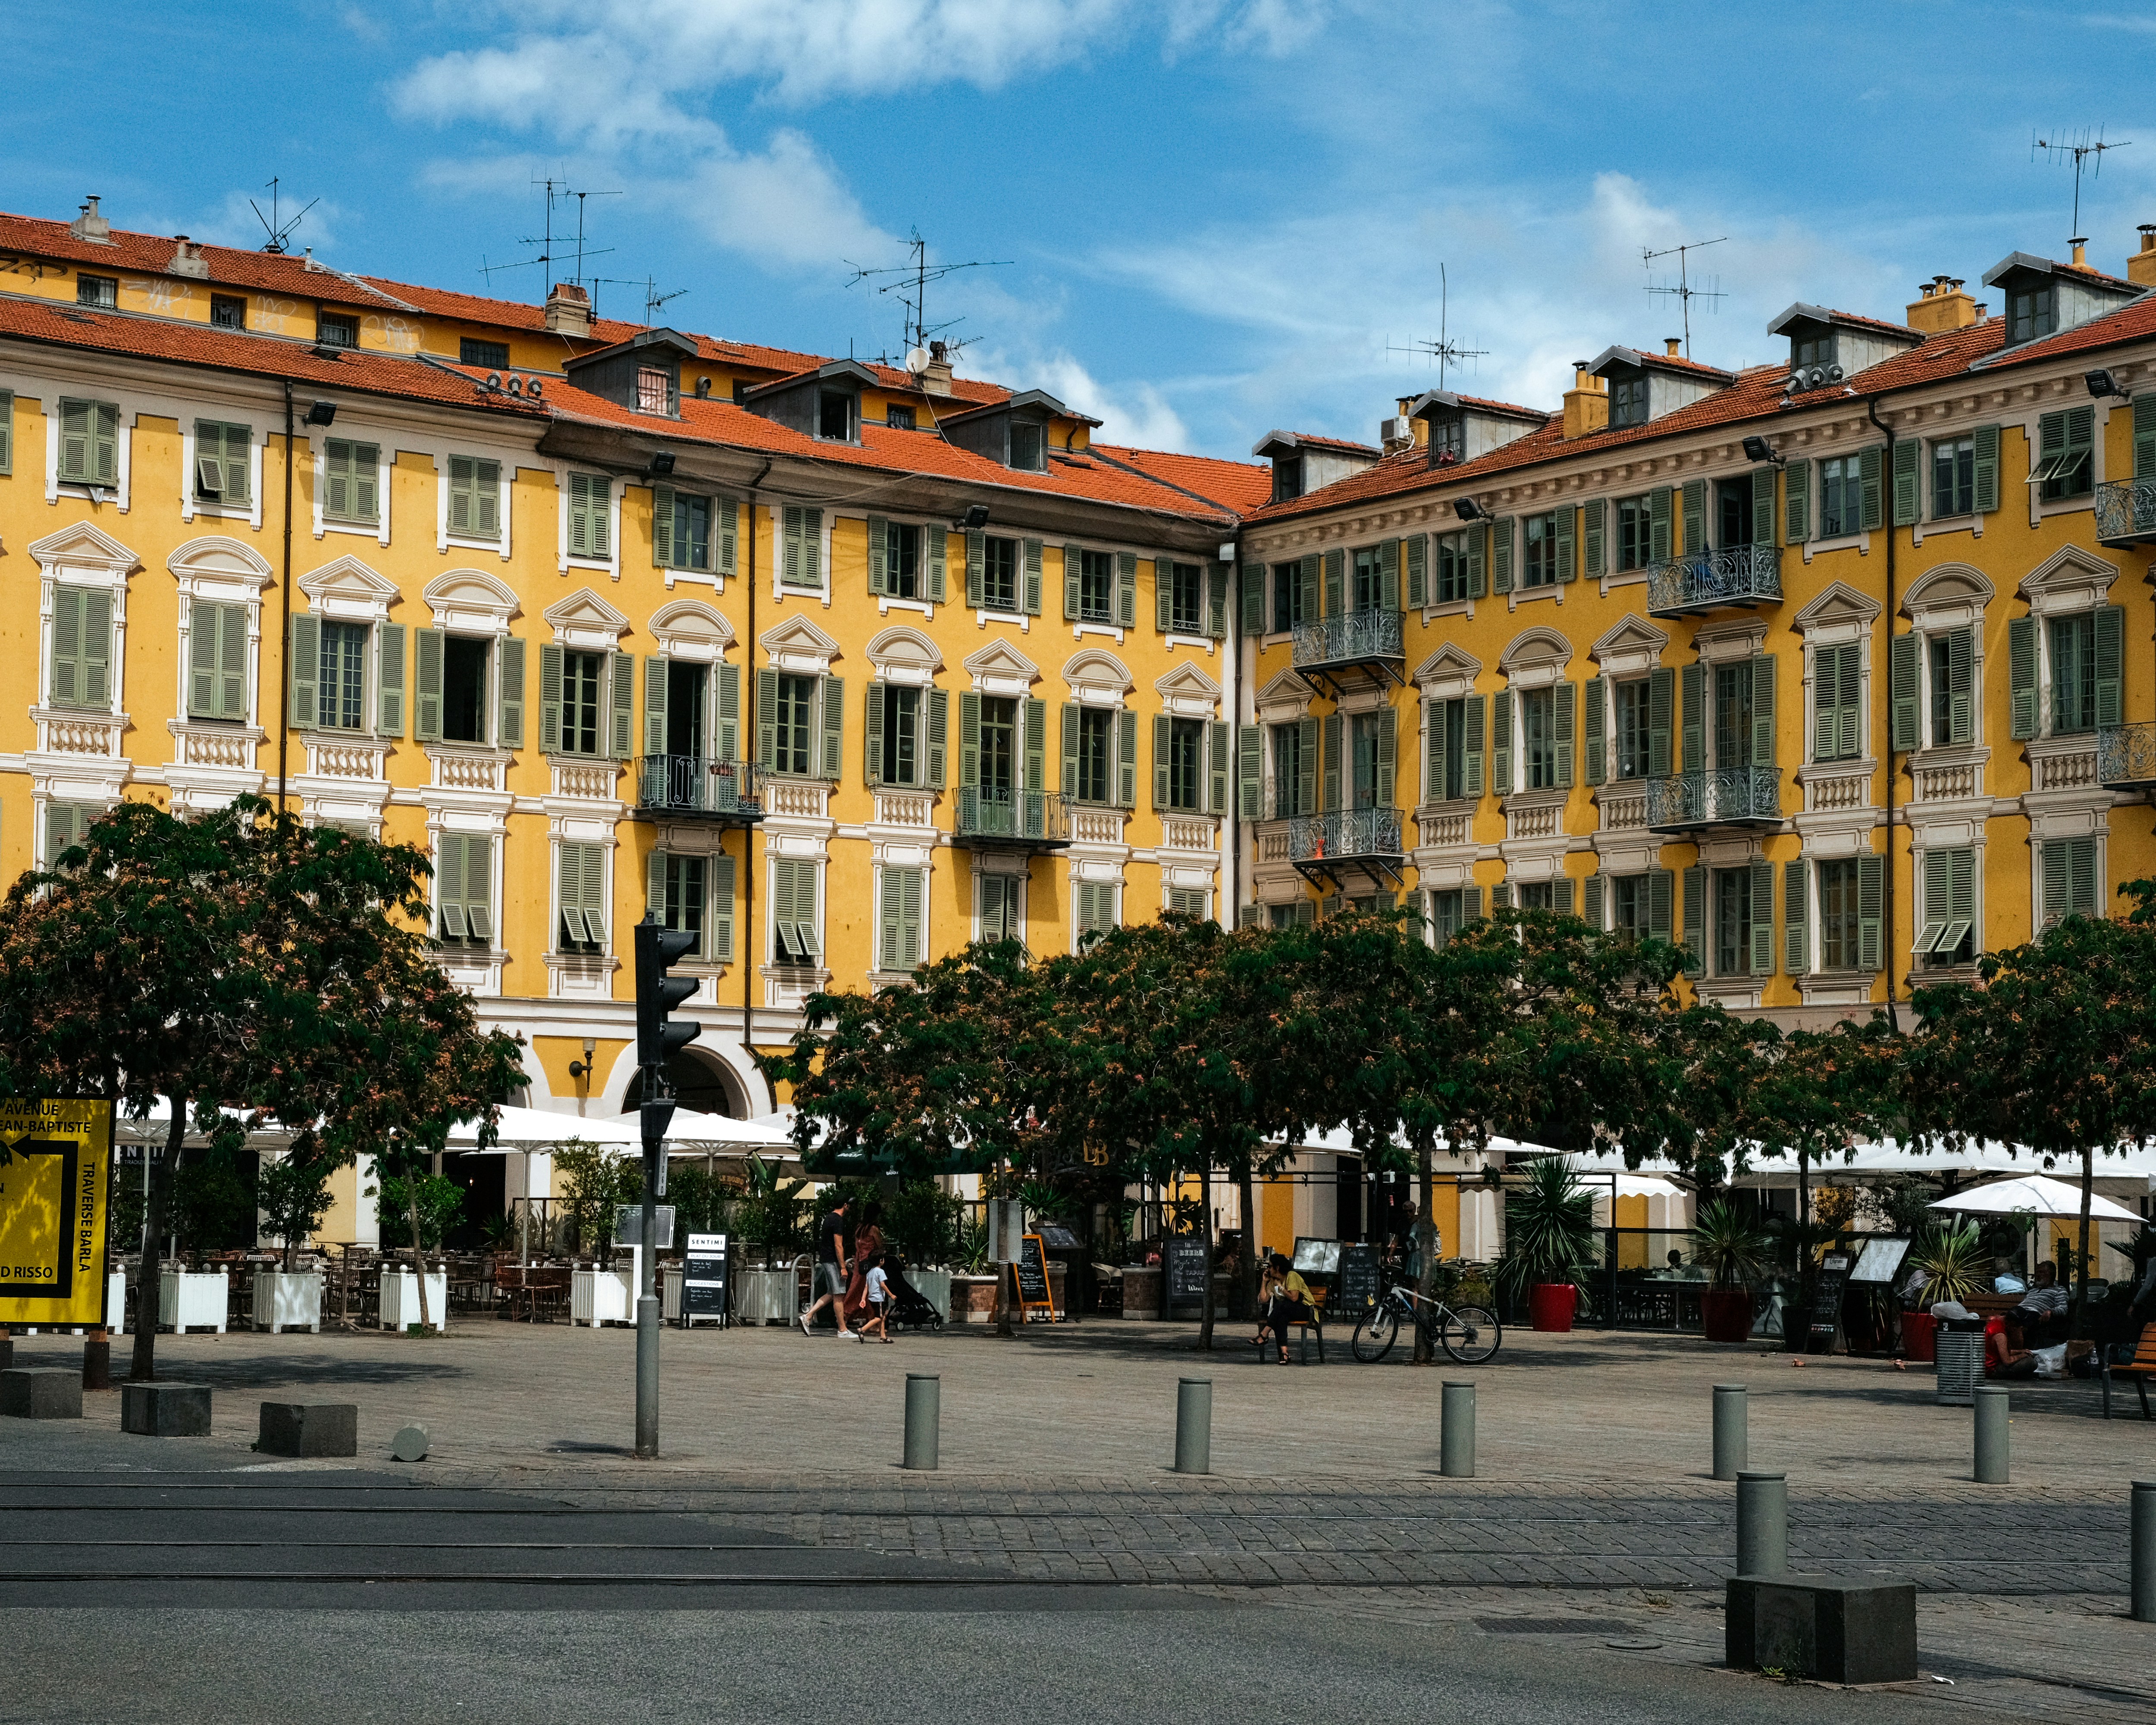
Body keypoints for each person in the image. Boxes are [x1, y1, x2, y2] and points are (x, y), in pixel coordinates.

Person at [801, 1195, 857, 1339]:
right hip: (833, 1260)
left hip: (826, 1259)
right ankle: (842, 1329)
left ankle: (808, 1316)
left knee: (832, 1293)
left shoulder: (828, 1218)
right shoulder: (838, 1220)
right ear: (845, 1205)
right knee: (839, 1294)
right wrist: (843, 1267)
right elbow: (839, 1245)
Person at [1260, 1252, 1318, 1366]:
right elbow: (1263, 1300)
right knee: (1281, 1318)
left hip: (1306, 1310)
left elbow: (1294, 1298)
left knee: (1280, 1306)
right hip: (1289, 1310)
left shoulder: (1292, 1276)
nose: (1268, 1269)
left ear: (1277, 1268)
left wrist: (1281, 1287)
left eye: (1270, 1266)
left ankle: (1265, 1333)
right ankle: (1284, 1354)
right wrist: (1264, 1281)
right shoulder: (1273, 1281)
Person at [2006, 1261, 2071, 1349]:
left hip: (2034, 1315)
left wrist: (2051, 1312)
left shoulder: (2059, 1290)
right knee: (1997, 1320)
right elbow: (2024, 1304)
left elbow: (2063, 1308)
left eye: (2041, 1272)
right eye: (2037, 1273)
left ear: (2051, 1274)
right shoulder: (2032, 1291)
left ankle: (2017, 1351)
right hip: (2019, 1312)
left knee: (2015, 1322)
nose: (2038, 1276)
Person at [842, 1200, 884, 1327]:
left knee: (856, 1289)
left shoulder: (860, 1228)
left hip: (860, 1263)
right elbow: (879, 1245)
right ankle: (871, 1322)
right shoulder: (873, 1229)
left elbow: (858, 1245)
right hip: (871, 1263)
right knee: (871, 1292)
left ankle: (846, 1314)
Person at [859, 1252, 893, 1343]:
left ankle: (883, 1337)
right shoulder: (880, 1272)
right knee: (879, 1318)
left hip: (872, 1298)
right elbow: (883, 1285)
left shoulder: (870, 1272)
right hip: (879, 1298)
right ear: (881, 1261)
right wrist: (891, 1295)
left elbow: (866, 1287)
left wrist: (863, 1299)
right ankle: (863, 1330)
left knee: (882, 1318)